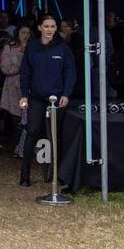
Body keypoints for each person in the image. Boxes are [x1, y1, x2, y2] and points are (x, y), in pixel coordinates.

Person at [18, 12, 77, 188]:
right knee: (32, 132)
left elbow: (70, 72)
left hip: (56, 99)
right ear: (39, 28)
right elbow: (25, 72)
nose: (49, 29)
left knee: (54, 134)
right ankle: (24, 175)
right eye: (46, 26)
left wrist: (66, 94)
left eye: (52, 26)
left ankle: (55, 173)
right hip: (36, 97)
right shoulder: (32, 47)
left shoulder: (63, 48)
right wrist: (24, 95)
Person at [0, 25, 31, 158]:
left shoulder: (34, 47)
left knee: (27, 114)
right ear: (18, 33)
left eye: (28, 32)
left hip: (29, 85)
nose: (26, 35)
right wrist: (22, 67)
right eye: (23, 32)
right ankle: (19, 145)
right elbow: (5, 68)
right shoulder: (10, 47)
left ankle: (24, 145)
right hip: (13, 85)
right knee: (16, 116)